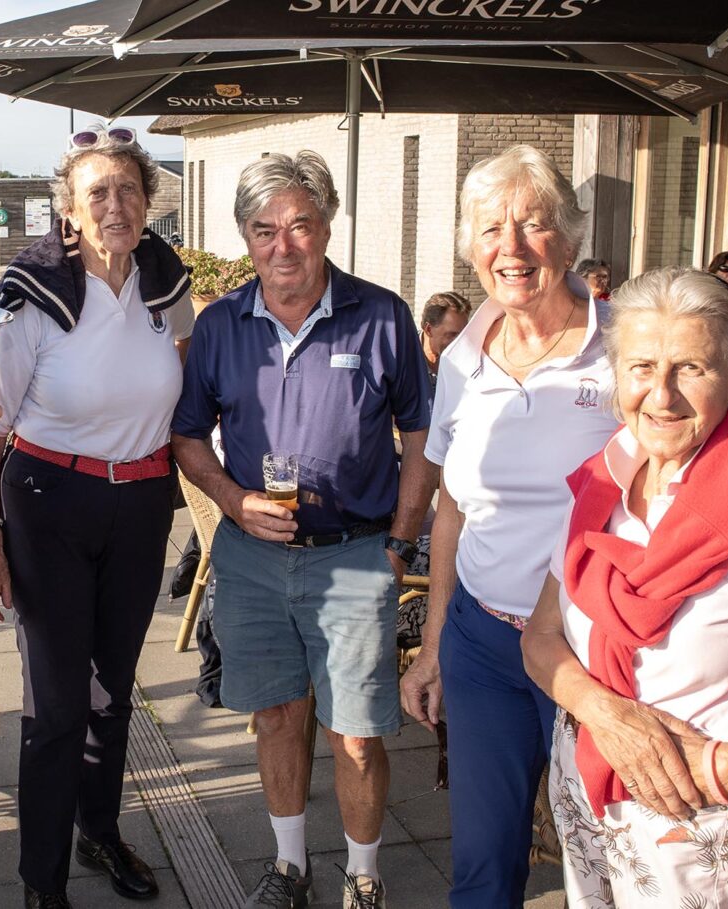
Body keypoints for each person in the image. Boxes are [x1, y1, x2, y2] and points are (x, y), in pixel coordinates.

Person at [522, 266, 728, 907]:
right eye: (642, 367)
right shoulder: (600, 483)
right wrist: (605, 714)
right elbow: (540, 639)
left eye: (691, 369)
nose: (662, 395)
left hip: (712, 825)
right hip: (589, 798)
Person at [172, 150, 435, 909]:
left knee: (355, 730)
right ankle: (290, 867)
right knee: (276, 715)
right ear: (244, 239)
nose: (282, 246)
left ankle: (363, 875)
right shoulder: (222, 324)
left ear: (326, 227)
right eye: (263, 231)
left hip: (355, 555)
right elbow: (189, 437)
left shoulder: (382, 314)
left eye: (299, 226)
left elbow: (421, 438)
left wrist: (399, 542)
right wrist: (230, 497)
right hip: (253, 557)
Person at [0, 124, 193, 908]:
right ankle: (42, 879)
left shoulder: (168, 288)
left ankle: (99, 831)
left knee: (115, 690)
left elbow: (190, 393)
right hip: (47, 502)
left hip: (139, 504)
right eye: (97, 191)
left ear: (148, 203)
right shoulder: (30, 299)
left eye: (130, 189)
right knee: (60, 704)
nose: (115, 204)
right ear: (68, 210)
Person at [398, 144, 621, 907]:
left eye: (533, 225)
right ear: (470, 246)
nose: (512, 248)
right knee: (485, 867)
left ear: (570, 235)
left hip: (597, 654)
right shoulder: (462, 356)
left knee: (607, 861)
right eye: (492, 228)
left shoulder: (627, 350)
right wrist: (431, 648)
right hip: (484, 644)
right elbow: (453, 502)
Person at [419, 290, 472, 391]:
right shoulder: (402, 360)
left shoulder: (469, 360)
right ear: (428, 329)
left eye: (463, 334)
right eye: (452, 335)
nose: (460, 342)